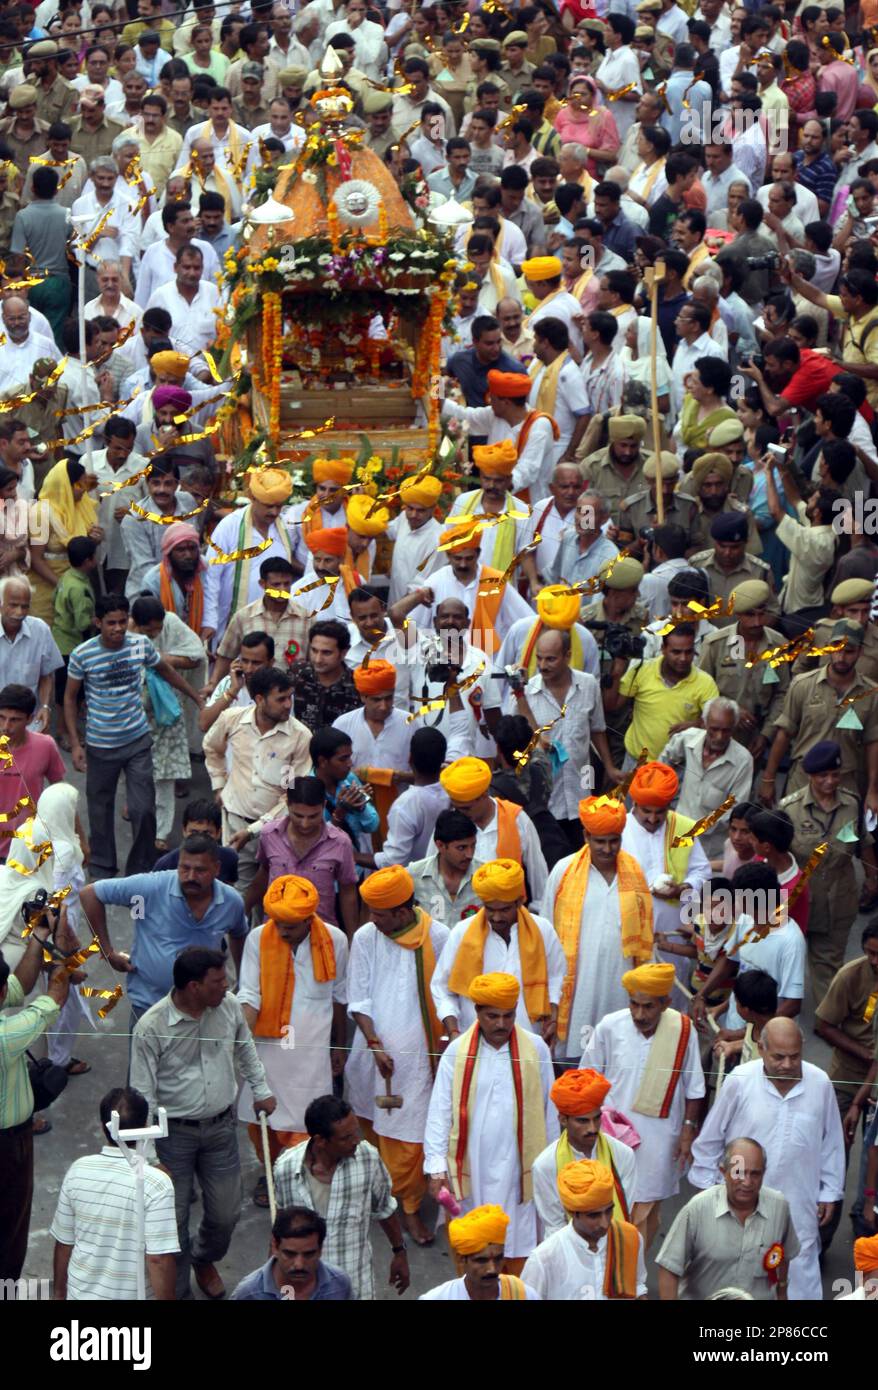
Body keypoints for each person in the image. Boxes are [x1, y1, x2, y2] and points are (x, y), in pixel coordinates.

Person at [131, 946, 275, 1300]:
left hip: (221, 1129)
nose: (226, 987)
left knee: (226, 1213)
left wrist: (261, 1088)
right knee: (173, 1220)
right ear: (193, 987)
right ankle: (178, 1292)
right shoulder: (150, 1027)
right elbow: (141, 1095)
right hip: (172, 1137)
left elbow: (245, 1047)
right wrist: (149, 1158)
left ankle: (204, 1258)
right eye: (218, 982)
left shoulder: (227, 1008)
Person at [688, 1017, 845, 1300]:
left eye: (794, 1056)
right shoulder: (739, 1082)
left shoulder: (820, 1083)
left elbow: (831, 1143)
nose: (787, 1064)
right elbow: (709, 1141)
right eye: (778, 1057)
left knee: (799, 1279)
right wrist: (710, 1192)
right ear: (760, 1048)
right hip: (741, 1208)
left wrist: (829, 1193)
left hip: (799, 1206)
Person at [424, 972, 557, 1271]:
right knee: (475, 1244)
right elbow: (440, 1113)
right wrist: (435, 1168)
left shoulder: (536, 1049)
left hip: (519, 1168)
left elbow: (549, 1111)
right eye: (492, 1016)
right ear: (477, 1013)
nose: (501, 1024)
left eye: (508, 1016)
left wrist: (551, 1164)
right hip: (473, 1167)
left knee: (520, 1242)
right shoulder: (456, 1053)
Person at [64, 593, 200, 878]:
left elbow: (166, 671)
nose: (117, 629)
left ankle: (141, 868)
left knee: (143, 810)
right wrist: (76, 743)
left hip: (138, 741)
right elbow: (70, 698)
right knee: (100, 810)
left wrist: (197, 698)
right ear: (97, 622)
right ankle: (102, 866)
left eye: (121, 622)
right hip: (100, 745)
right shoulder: (83, 655)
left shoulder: (141, 645)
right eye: (110, 623)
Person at [347, 866, 449, 1246]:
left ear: (404, 910)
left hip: (421, 1058)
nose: (373, 920)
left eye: (380, 913)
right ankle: (386, 1200)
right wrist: (374, 1043)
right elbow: (358, 997)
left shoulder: (438, 936)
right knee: (376, 1131)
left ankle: (408, 1209)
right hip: (373, 1056)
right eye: (371, 912)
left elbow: (445, 996)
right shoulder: (365, 937)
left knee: (410, 1138)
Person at [237, 874, 347, 1203]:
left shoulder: (335, 940)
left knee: (309, 1119)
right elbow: (249, 995)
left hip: (312, 1053)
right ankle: (270, 1174)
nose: (282, 931)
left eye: (291, 925)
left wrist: (339, 1046)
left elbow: (340, 997)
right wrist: (239, 1047)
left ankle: (302, 1178)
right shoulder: (258, 938)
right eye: (278, 923)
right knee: (263, 1119)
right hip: (269, 1050)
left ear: (309, 918)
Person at [582, 962, 705, 1251]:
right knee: (607, 1203)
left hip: (660, 1137)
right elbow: (587, 1077)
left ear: (666, 1003)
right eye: (634, 1005)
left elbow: (695, 1089)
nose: (639, 1014)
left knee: (647, 1208)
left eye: (648, 1006)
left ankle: (631, 1274)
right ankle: (609, 1272)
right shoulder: (610, 1026)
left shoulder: (683, 1031)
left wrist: (687, 1133)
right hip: (613, 1135)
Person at [542, 794, 653, 1065]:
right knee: (571, 1069)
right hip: (575, 988)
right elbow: (545, 933)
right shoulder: (563, 871)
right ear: (586, 836)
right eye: (599, 841)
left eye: (614, 840)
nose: (607, 848)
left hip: (618, 983)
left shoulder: (635, 874)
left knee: (614, 1059)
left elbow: (646, 935)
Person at [273, 1094, 410, 1301]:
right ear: (320, 1141)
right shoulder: (285, 1169)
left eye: (355, 1132)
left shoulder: (368, 1159)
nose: (356, 1140)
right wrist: (271, 1280)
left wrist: (400, 1252)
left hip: (355, 1285)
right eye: (346, 1137)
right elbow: (280, 1230)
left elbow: (384, 1209)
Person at [50, 1086, 178, 1301]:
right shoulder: (157, 1184)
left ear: (103, 1127)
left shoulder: (78, 1171)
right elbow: (158, 1260)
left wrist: (59, 1294)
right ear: (145, 1126)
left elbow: (64, 1243)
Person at [0, 908, 70, 1279]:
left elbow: (19, 985)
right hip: (6, 1148)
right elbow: (53, 996)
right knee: (9, 1231)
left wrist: (37, 935)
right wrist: (60, 948)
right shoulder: (6, 1037)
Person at [431, 858, 566, 1043]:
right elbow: (441, 986)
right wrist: (454, 1031)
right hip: (473, 1039)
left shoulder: (543, 930)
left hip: (529, 1039)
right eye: (489, 909)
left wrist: (552, 1015)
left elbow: (556, 978)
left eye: (504, 909)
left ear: (519, 902)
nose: (496, 917)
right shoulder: (462, 932)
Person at [203, 665, 311, 893]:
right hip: (234, 823)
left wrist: (254, 830)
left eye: (290, 697)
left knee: (275, 895)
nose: (288, 705)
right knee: (234, 894)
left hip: (279, 831)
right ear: (260, 699)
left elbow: (291, 795)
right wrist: (219, 785)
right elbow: (212, 749)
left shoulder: (300, 737)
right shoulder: (232, 719)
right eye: (281, 699)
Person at [656, 1136, 799, 1300]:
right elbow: (669, 1267)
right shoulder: (698, 1208)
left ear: (763, 1173)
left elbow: (784, 1256)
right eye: (739, 1172)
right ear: (723, 1172)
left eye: (755, 1174)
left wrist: (782, 1292)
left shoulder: (779, 1207)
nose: (747, 1182)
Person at [511, 625, 616, 845]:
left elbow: (597, 729)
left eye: (550, 659)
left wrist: (609, 767)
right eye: (539, 659)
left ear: (568, 656)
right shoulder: (526, 692)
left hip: (581, 795)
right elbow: (514, 739)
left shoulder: (588, 685)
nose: (542, 666)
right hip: (544, 804)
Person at [782, 739, 861, 1002]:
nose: (830, 781)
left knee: (829, 962)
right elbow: (775, 856)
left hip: (839, 896)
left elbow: (862, 842)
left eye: (835, 775)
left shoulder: (851, 804)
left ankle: (828, 1020)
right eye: (823, 775)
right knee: (788, 958)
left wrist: (872, 878)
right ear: (809, 775)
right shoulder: (789, 809)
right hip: (801, 898)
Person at [245, 777, 359, 938]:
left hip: (321, 935)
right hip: (276, 932)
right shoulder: (269, 834)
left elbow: (348, 892)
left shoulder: (341, 843)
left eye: (313, 816)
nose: (305, 824)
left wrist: (352, 938)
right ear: (287, 805)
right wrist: (244, 909)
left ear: (324, 806)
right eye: (298, 816)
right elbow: (264, 873)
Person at [523, 1158, 647, 1299]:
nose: (605, 1223)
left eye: (608, 1211)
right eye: (594, 1216)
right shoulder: (544, 1258)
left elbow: (637, 1287)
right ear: (572, 1212)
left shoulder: (629, 1239)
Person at [533, 1068, 636, 1237]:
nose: (592, 1128)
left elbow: (623, 1212)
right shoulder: (545, 1165)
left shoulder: (622, 1155)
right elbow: (554, 1225)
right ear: (563, 1120)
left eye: (596, 1118)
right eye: (583, 1121)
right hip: (567, 1250)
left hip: (615, 1243)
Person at [201, 466, 295, 643]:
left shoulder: (283, 527)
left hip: (273, 623)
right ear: (253, 497)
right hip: (231, 620)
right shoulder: (230, 526)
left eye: (279, 506)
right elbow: (211, 576)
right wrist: (209, 621)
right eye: (268, 506)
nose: (274, 512)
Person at [603, 622, 720, 764]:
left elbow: (717, 723)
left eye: (688, 652)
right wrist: (617, 672)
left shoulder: (705, 682)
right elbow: (612, 705)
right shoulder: (641, 670)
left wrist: (696, 725)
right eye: (676, 652)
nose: (683, 658)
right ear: (663, 649)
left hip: (678, 765)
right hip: (636, 762)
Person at [438, 756, 548, 904]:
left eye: (466, 808)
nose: (460, 813)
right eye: (456, 807)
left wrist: (535, 915)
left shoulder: (517, 819)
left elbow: (539, 877)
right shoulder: (448, 822)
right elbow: (432, 874)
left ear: (483, 795)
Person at [659, 700, 755, 858]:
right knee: (669, 879)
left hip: (710, 849)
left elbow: (736, 807)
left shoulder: (743, 760)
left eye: (726, 731)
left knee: (705, 883)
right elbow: (662, 764)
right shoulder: (687, 739)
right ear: (703, 724)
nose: (719, 736)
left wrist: (701, 827)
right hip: (674, 833)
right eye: (714, 730)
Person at [815, 922, 878, 1132]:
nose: (875, 961)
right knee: (836, 1144)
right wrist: (866, 1054)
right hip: (846, 1075)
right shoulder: (849, 976)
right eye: (871, 953)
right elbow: (824, 1026)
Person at [28, 458, 103, 624]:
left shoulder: (81, 506)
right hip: (48, 586)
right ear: (63, 485)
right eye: (79, 485)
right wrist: (63, 585)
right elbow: (36, 559)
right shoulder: (40, 513)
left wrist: (94, 540)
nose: (83, 490)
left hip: (77, 584)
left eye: (85, 484)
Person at [231, 1205, 352, 1301]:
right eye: (290, 1254)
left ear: (320, 1250)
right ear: (275, 1246)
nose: (299, 1265)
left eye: (309, 1254)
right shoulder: (249, 1293)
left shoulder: (339, 1283)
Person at [420, 1204, 541, 1300]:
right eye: (482, 1260)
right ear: (461, 1259)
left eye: (498, 1258)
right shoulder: (439, 1297)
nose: (492, 1269)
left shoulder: (522, 1295)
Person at [0, 576, 64, 733]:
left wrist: (45, 706)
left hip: (29, 723)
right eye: (13, 605)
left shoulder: (40, 630)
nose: (19, 612)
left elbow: (46, 675)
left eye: (24, 607)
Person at [409, 808, 483, 928]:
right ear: (440, 845)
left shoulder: (487, 874)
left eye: (473, 846)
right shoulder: (413, 874)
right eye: (461, 848)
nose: (470, 854)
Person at [290, 619, 360, 732]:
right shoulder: (297, 674)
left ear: (343, 652)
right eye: (314, 650)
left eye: (326, 653)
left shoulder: (358, 686)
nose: (318, 659)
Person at [154, 799, 237, 884]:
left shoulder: (229, 858)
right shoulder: (166, 864)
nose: (200, 838)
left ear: (219, 833)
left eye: (207, 833)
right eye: (194, 832)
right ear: (184, 831)